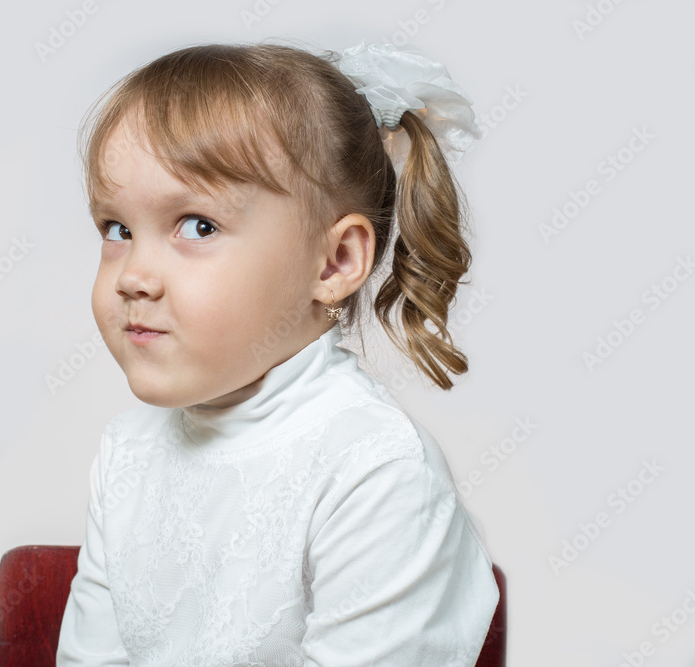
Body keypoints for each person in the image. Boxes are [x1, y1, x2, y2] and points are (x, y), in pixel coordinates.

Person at [56, 38, 499, 666]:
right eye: (117, 230)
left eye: (198, 225)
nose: (134, 275)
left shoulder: (375, 472)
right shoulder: (127, 453)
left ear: (335, 261)